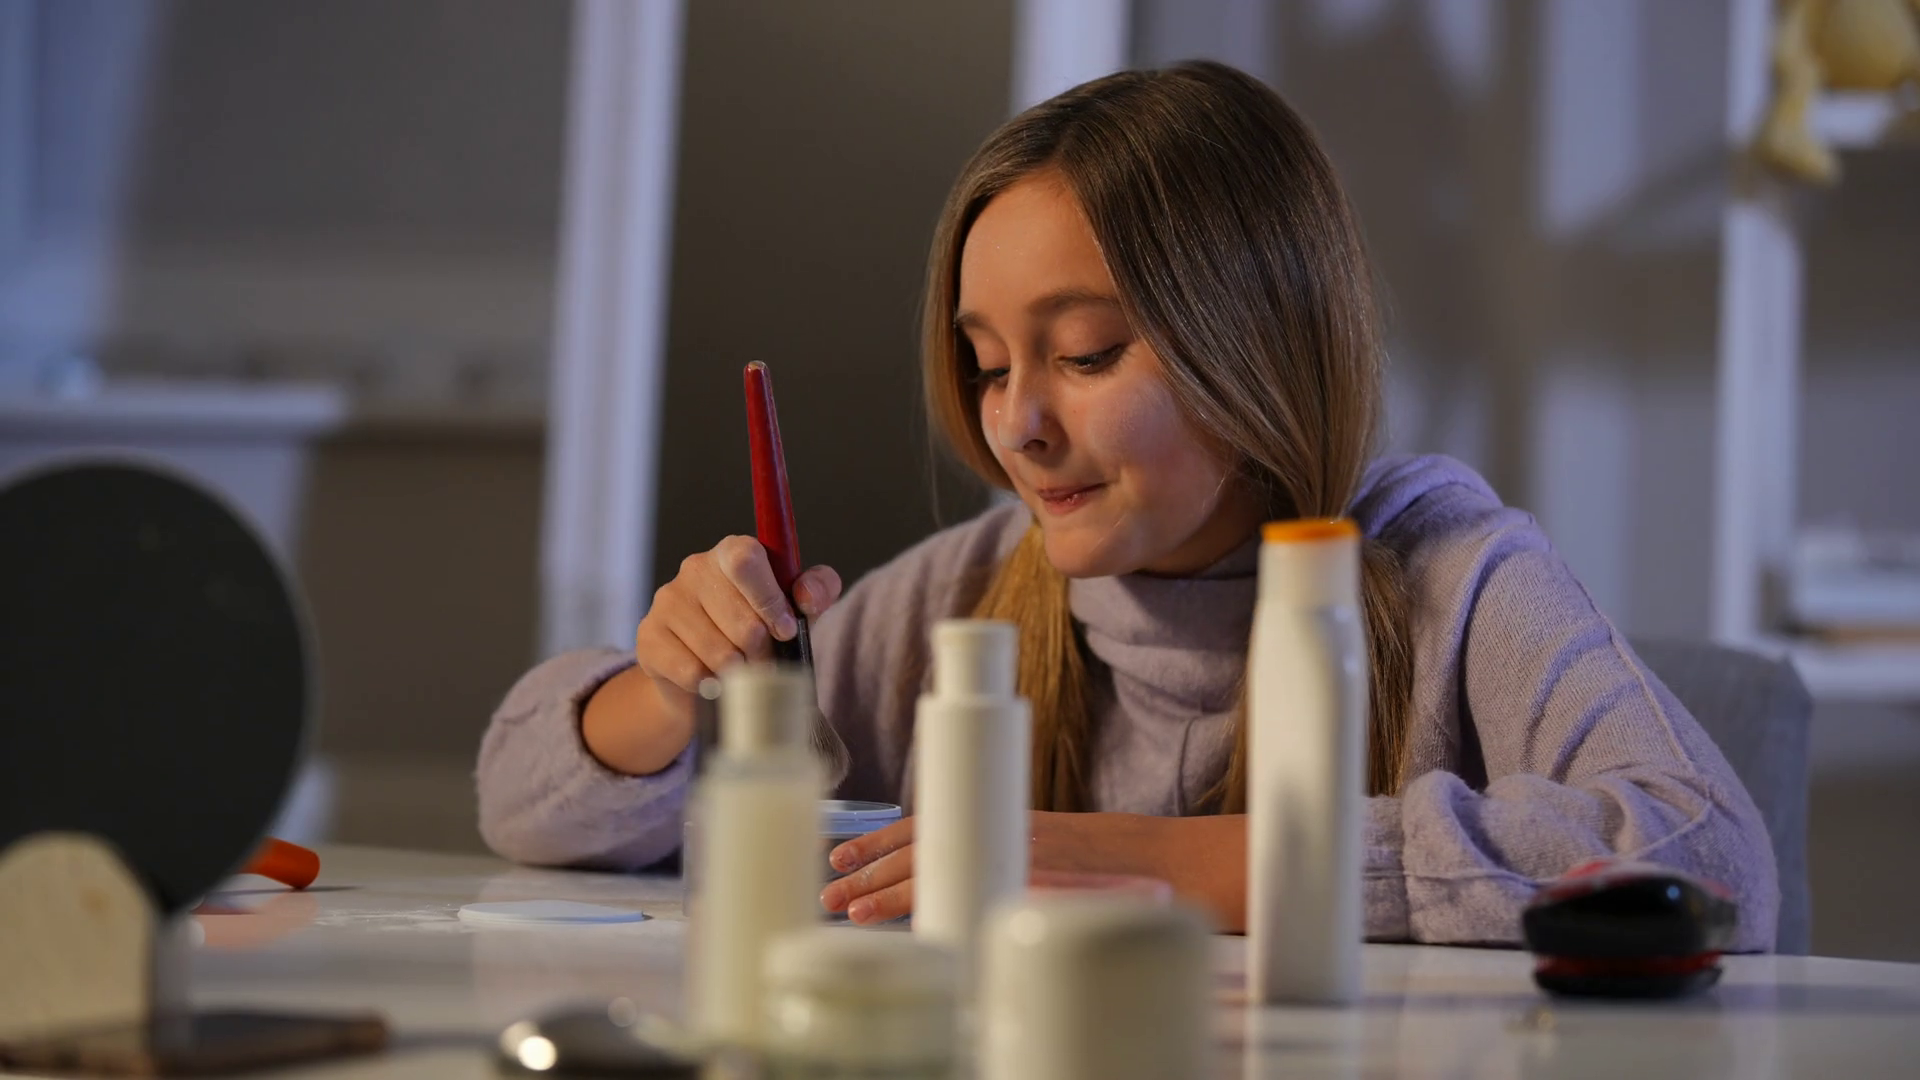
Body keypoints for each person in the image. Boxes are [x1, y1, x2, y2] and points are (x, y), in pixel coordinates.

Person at [476, 61, 1779, 949]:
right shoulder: (967, 594)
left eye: (1088, 353)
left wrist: (1156, 865)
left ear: (1254, 343)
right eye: (987, 365)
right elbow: (524, 809)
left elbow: (1712, 861)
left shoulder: (1447, 566)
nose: (1018, 422)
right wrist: (658, 697)